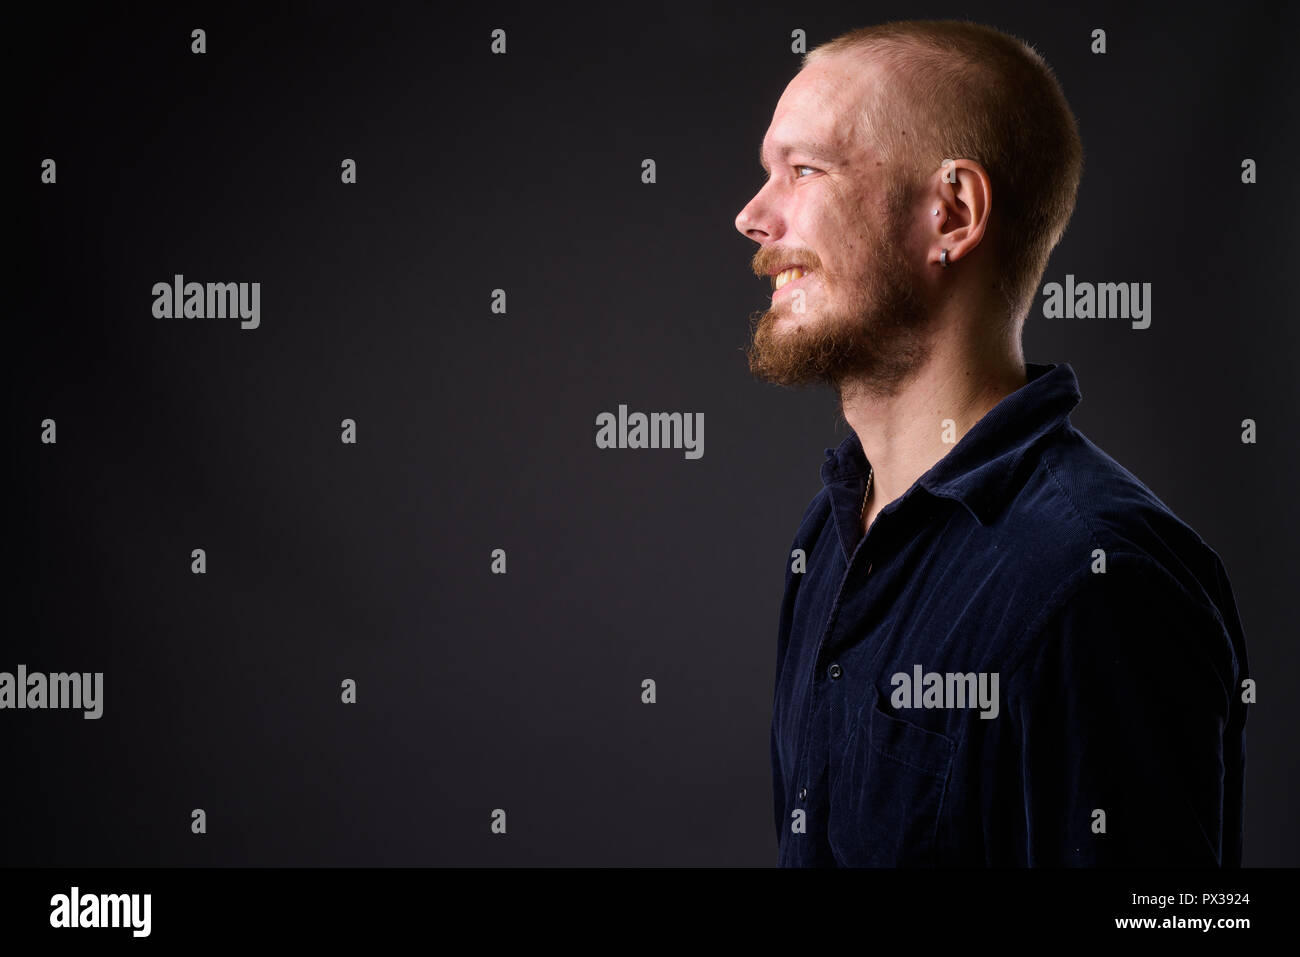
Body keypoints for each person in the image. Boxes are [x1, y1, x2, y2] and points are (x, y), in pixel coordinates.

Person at [735, 19, 1248, 866]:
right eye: (766, 175)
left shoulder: (1095, 578)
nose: (754, 216)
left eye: (804, 170)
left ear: (953, 211)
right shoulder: (826, 542)